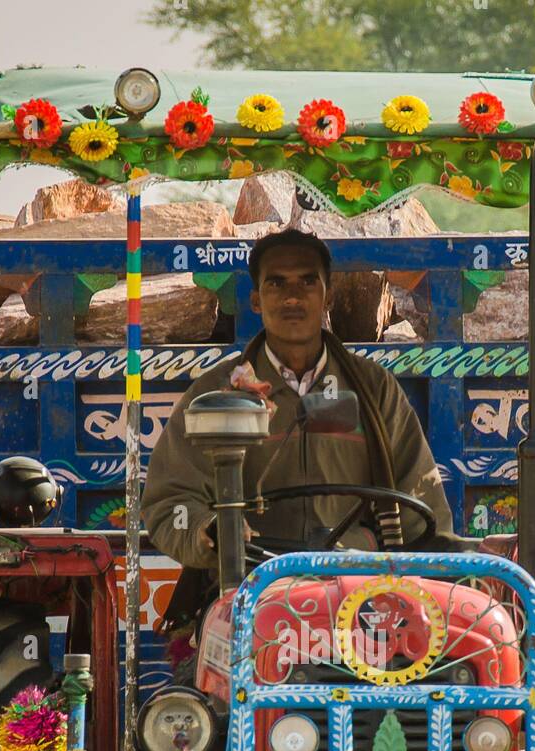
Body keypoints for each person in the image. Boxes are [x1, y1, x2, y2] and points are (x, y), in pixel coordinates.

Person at [140, 227, 460, 571]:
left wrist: (445, 573)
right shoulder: (215, 395)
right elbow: (171, 503)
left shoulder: (374, 390)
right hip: (250, 588)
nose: (292, 297)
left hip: (358, 593)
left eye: (307, 282)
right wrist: (210, 531)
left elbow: (420, 504)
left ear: (328, 297)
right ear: (256, 300)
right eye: (276, 283)